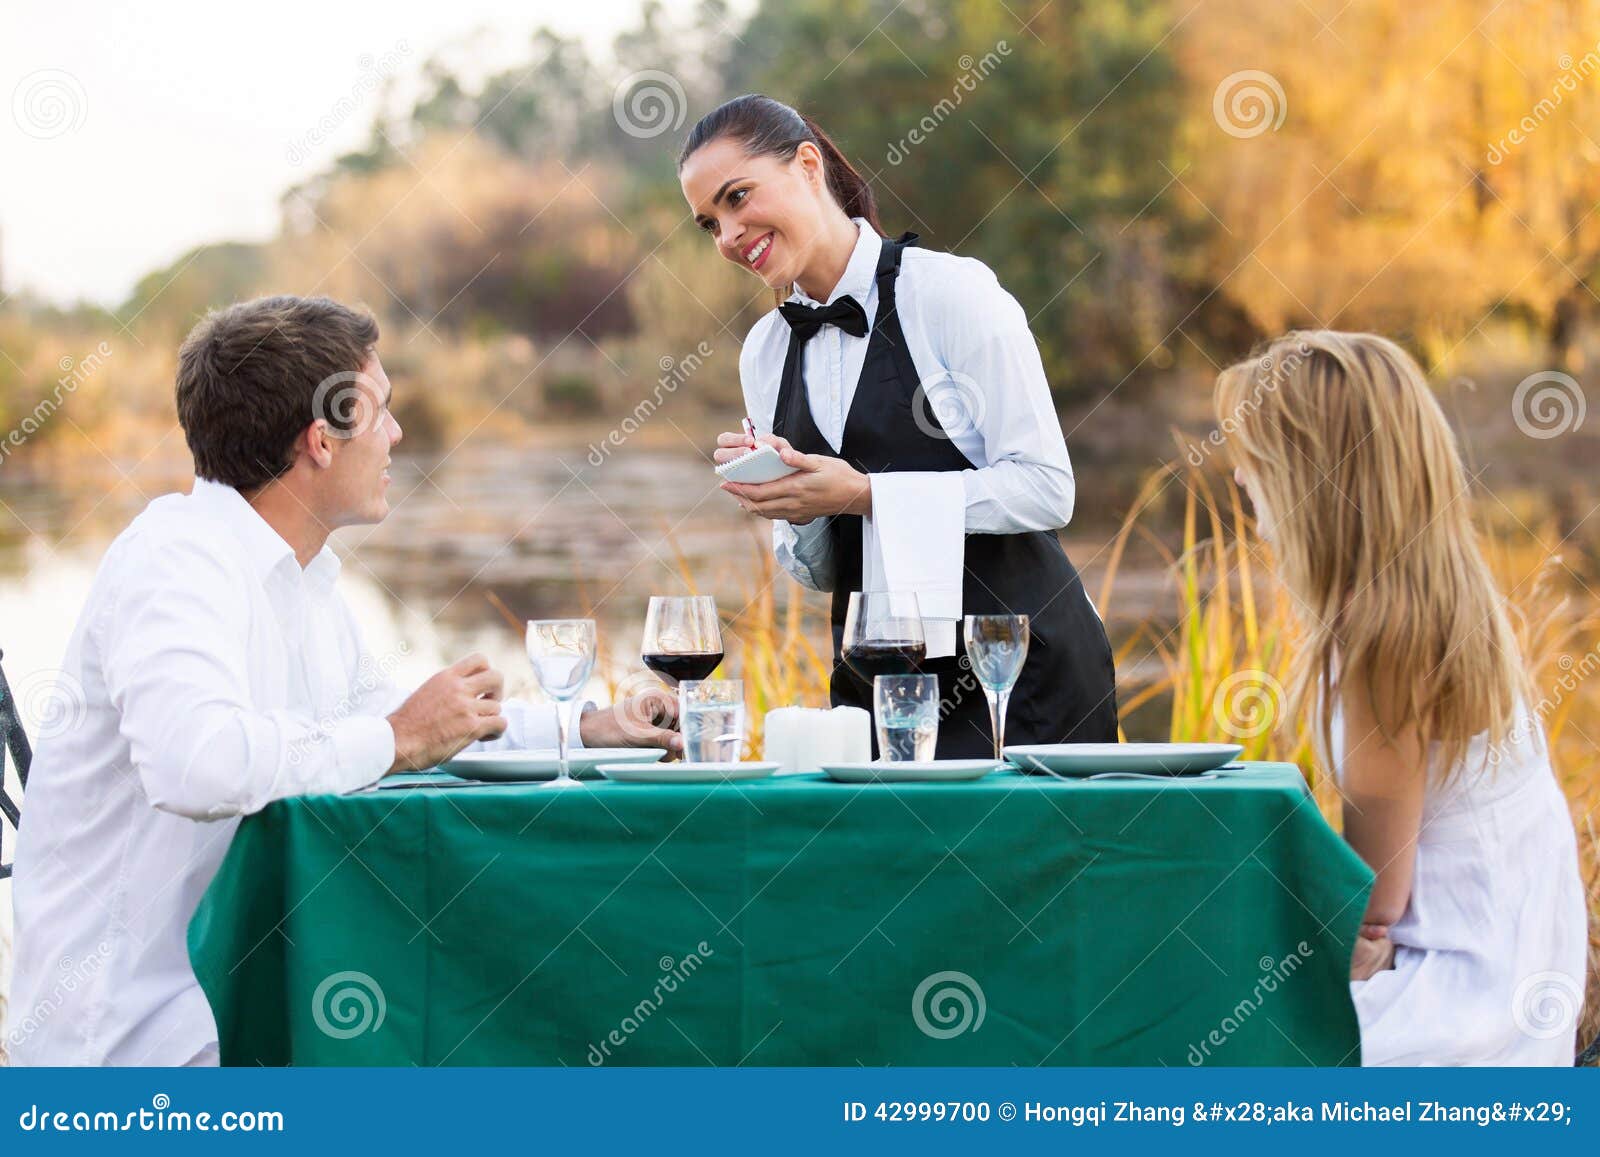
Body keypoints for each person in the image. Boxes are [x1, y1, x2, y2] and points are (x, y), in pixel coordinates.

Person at [4, 295, 680, 1066]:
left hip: (241, 1020)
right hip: (124, 1059)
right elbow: (199, 764)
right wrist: (397, 739)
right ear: (321, 440)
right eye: (382, 411)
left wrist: (583, 729)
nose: (396, 434)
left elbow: (391, 720)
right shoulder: (175, 563)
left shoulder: (302, 572)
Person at [678, 95, 1117, 757]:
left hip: (1016, 678)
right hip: (880, 692)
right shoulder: (765, 351)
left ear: (806, 165)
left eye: (738, 197)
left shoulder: (950, 294)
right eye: (709, 223)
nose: (729, 235)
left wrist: (865, 493)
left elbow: (1047, 488)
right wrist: (790, 499)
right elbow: (824, 573)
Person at [1216, 330, 1586, 1065]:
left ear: (1307, 486)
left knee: (1190, 1037)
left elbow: (1376, 901)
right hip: (1510, 970)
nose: (1247, 499)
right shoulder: (1443, 602)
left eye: (1253, 477)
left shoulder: (1383, 644)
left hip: (1459, 1001)